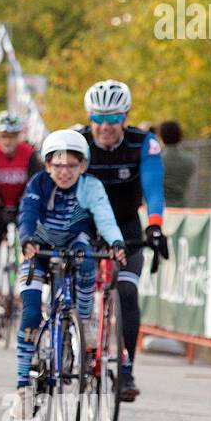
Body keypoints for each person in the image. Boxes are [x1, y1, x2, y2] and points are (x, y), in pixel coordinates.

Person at [8, 129, 126, 421]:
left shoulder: (91, 186)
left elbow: (104, 217)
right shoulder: (39, 183)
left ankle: (83, 321)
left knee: (87, 259)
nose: (64, 172)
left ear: (82, 166)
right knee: (32, 313)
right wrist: (27, 240)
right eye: (58, 166)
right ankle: (24, 388)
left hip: (74, 245)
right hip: (38, 250)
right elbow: (28, 214)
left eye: (71, 166)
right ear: (48, 166)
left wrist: (116, 242)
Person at [76, 80, 167, 401]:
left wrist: (154, 227)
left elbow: (155, 191)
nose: (105, 126)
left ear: (125, 117)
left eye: (113, 118)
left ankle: (126, 371)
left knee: (127, 291)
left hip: (127, 224)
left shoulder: (143, 143)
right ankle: (70, 341)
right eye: (97, 118)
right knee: (78, 285)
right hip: (86, 223)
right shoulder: (79, 141)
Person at [0, 112, 43, 337]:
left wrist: (31, 208)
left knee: (30, 252)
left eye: (12, 136)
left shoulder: (29, 154)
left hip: (20, 206)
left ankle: (27, 303)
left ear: (19, 136)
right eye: (4, 136)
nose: (8, 141)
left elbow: (36, 184)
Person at [157, 120, 196, 206]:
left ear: (161, 136)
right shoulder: (190, 159)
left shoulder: (156, 159)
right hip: (181, 208)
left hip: (159, 208)